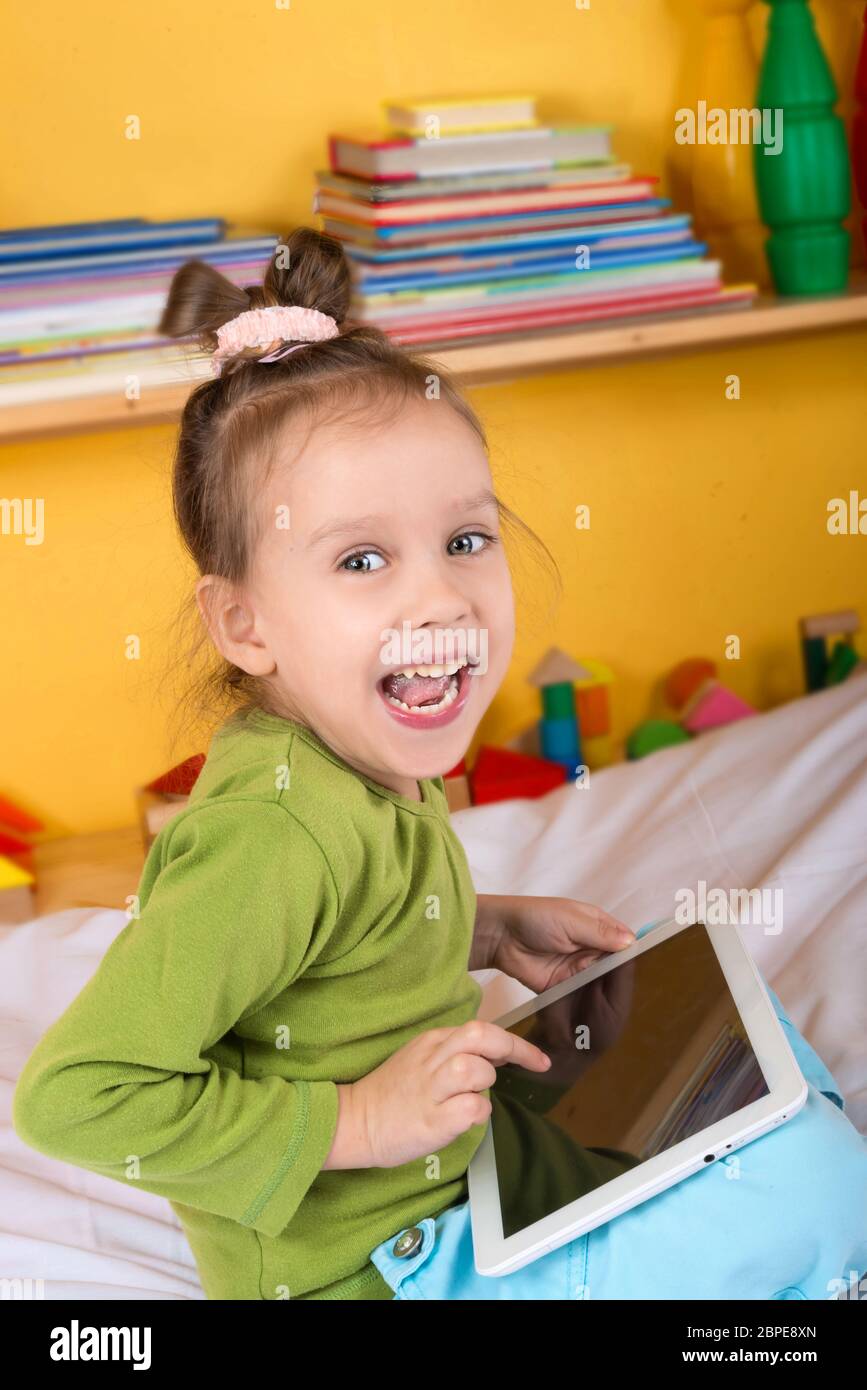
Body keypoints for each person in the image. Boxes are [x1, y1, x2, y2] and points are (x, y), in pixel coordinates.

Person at [13, 228, 867, 1302]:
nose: (440, 598)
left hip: (459, 1173)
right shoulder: (273, 834)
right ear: (244, 622)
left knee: (716, 1018)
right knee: (810, 1193)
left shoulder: (350, 758)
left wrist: (485, 924)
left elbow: (327, 947)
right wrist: (359, 1121)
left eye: (465, 540)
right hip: (382, 1264)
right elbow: (74, 1094)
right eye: (362, 559)